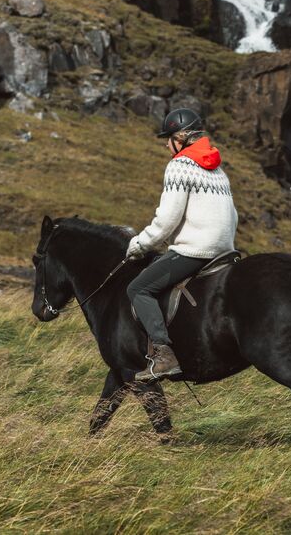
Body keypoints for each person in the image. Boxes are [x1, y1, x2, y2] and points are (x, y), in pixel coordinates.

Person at [125, 108, 238, 381]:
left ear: (181, 137)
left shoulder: (179, 165)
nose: (166, 144)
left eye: (168, 138)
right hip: (225, 250)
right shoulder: (217, 167)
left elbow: (166, 221)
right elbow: (233, 214)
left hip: (196, 251)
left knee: (138, 288)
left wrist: (139, 245)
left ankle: (164, 354)